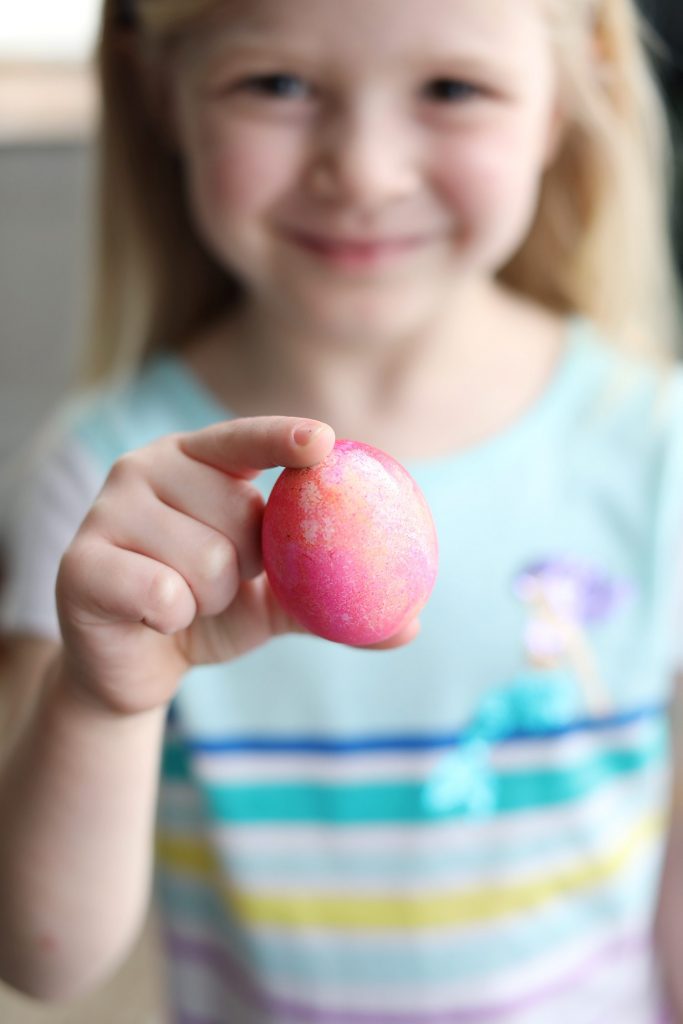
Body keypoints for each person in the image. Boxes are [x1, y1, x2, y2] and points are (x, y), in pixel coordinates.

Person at [0, 0, 682, 1020]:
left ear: (566, 96)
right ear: (160, 94)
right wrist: (105, 703)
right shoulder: (119, 490)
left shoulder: (655, 446)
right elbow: (41, 952)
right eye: (276, 84)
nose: (362, 171)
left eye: (451, 88)